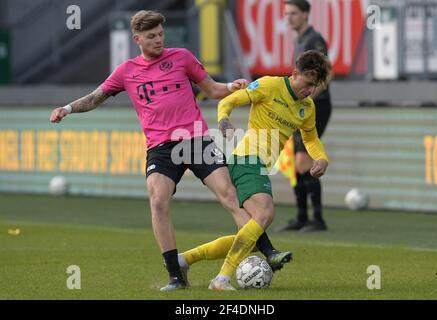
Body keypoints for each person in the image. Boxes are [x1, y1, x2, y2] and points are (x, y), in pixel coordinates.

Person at [49, 10, 289, 291]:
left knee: (230, 195)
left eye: (161, 34)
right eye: (151, 37)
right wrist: (66, 109)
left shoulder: (182, 57)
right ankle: (176, 275)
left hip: (197, 139)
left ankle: (269, 250)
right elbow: (95, 98)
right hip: (161, 147)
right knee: (158, 201)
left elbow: (211, 89)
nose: (158, 40)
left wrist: (230, 86)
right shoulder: (126, 71)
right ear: (137, 38)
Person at [179, 49, 331, 290]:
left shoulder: (307, 107)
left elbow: (310, 139)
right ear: (294, 74)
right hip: (247, 159)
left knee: (249, 235)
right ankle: (222, 279)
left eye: (315, 86)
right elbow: (229, 100)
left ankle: (184, 259)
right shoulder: (269, 85)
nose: (310, 91)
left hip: (261, 166)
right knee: (265, 213)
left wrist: (321, 158)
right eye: (308, 84)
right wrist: (224, 119)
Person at [278, 0, 333, 232]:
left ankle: (317, 219)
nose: (288, 18)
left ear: (305, 14)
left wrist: (308, 97)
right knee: (295, 161)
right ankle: (302, 216)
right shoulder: (299, 40)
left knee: (303, 160)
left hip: (316, 106)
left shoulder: (314, 39)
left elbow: (327, 73)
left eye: (293, 13)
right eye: (286, 14)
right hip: (301, 107)